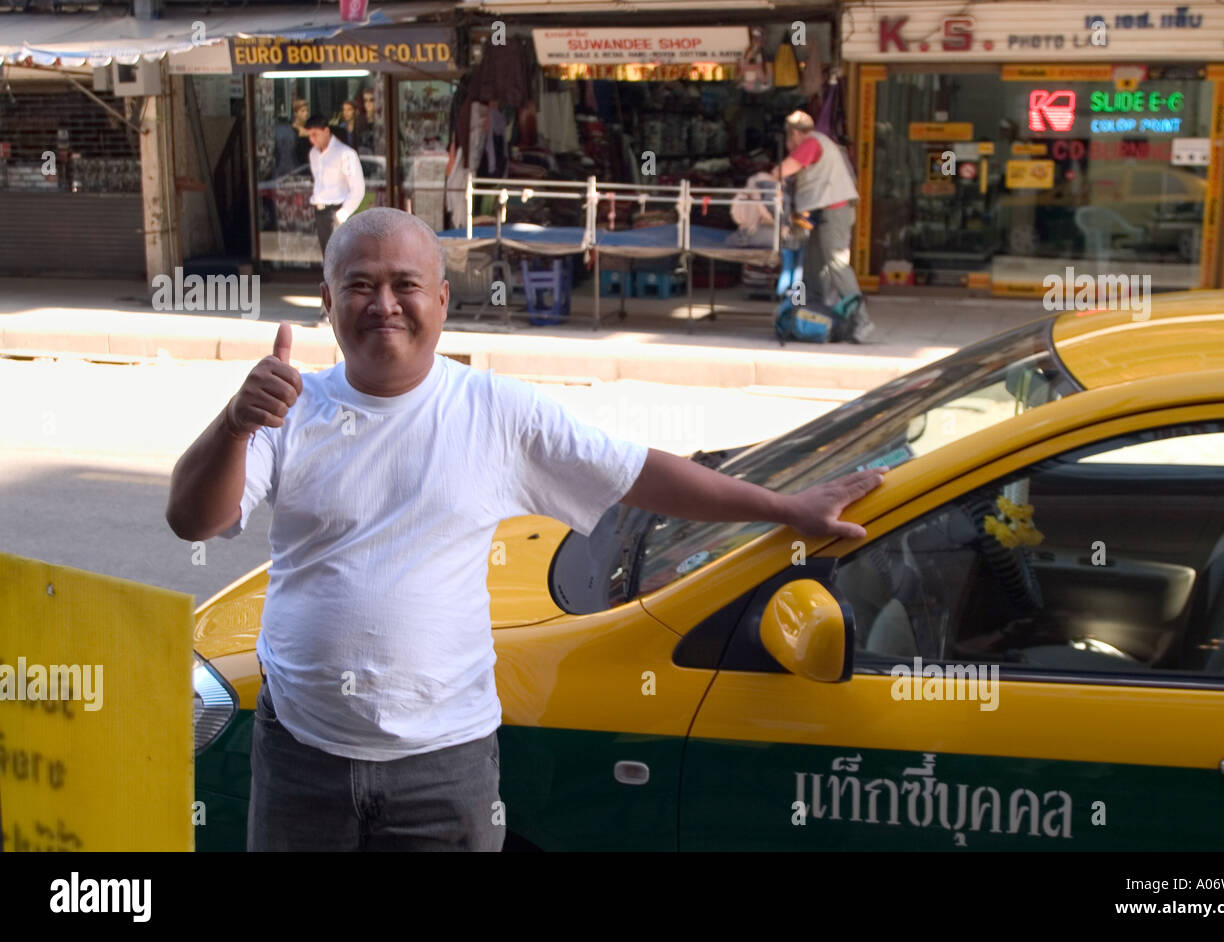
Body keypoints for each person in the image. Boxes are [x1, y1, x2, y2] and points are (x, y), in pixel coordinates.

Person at [164, 207, 888, 852]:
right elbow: (194, 518)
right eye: (359, 285)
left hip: (443, 766)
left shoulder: (495, 412)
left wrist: (784, 507)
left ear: (442, 300)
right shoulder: (289, 407)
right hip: (301, 756)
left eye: (405, 285)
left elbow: (638, 474)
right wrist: (234, 422)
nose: (384, 304)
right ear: (327, 301)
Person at [774, 110, 874, 343]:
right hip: (820, 212)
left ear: (796, 134)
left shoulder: (811, 143)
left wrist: (767, 177)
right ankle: (809, 316)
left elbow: (784, 169)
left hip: (834, 211)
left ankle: (863, 321)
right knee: (812, 266)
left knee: (837, 265)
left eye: (790, 139)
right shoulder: (821, 142)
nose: (790, 145)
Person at [304, 115, 366, 262]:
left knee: (339, 259)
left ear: (326, 131)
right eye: (309, 136)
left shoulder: (345, 153)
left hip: (336, 209)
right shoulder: (313, 154)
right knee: (327, 258)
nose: (312, 139)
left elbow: (358, 188)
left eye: (315, 134)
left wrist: (342, 214)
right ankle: (330, 285)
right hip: (320, 210)